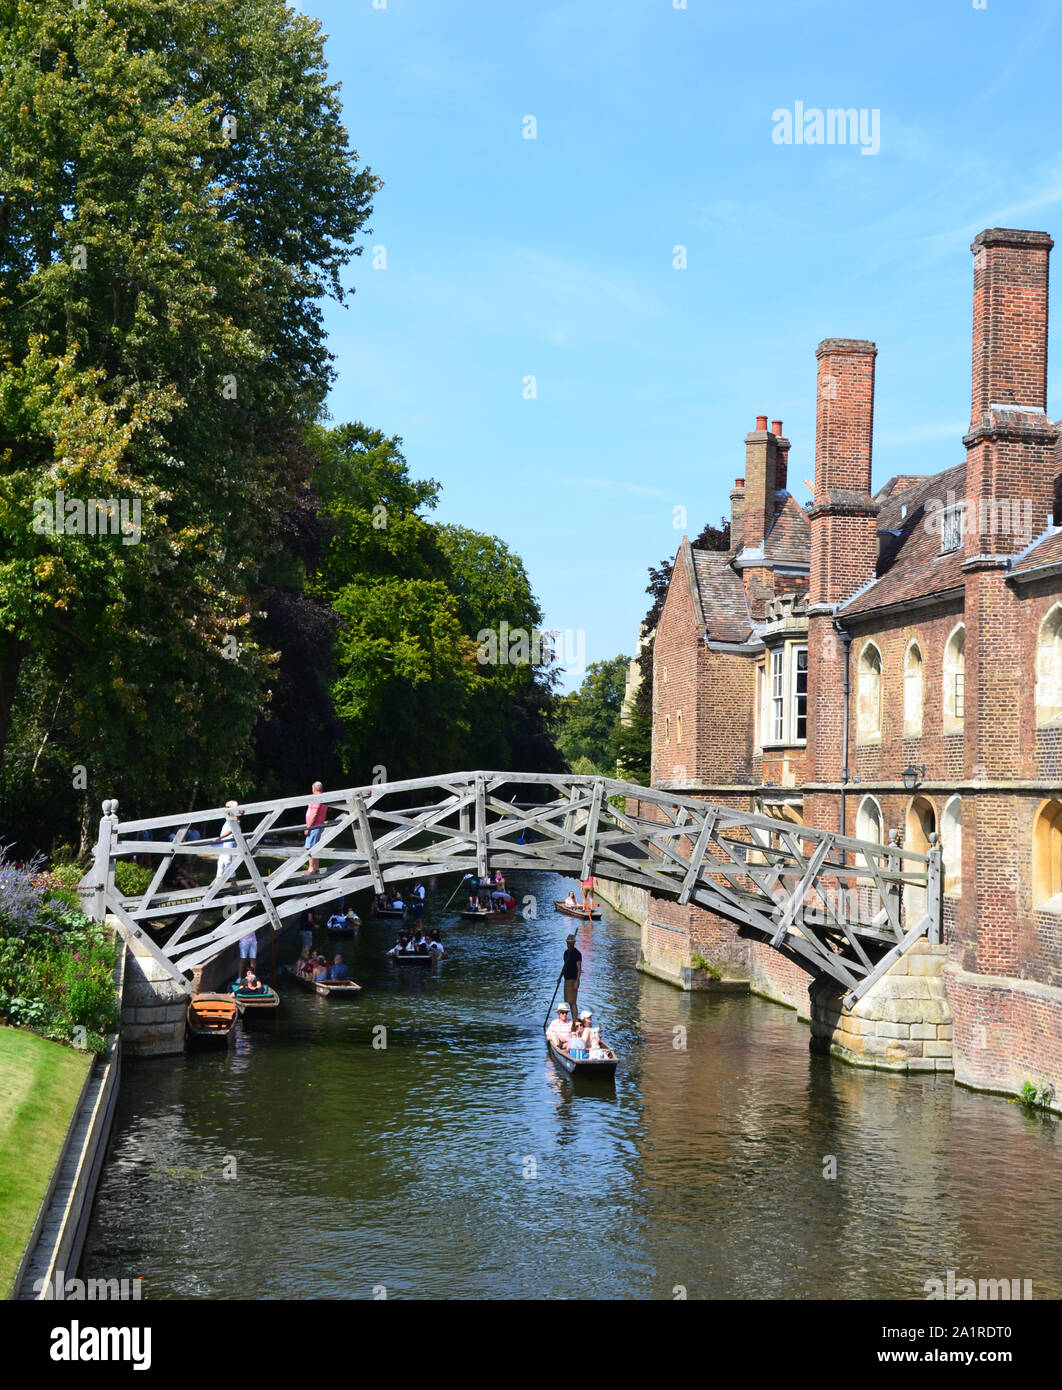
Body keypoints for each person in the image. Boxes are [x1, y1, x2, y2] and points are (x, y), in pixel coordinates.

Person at [213, 801, 240, 883]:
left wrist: (220, 838)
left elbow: (231, 830)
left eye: (227, 807)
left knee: (227, 862)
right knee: (220, 862)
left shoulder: (234, 818)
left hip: (228, 842)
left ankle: (233, 882)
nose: (225, 808)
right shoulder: (229, 817)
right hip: (224, 842)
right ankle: (217, 882)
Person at [304, 780, 327, 873]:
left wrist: (308, 827)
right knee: (315, 846)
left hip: (314, 826)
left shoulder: (317, 798)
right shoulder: (324, 797)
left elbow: (314, 813)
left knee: (310, 847)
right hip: (318, 825)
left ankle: (311, 869)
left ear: (313, 789)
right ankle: (316, 868)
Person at [558, 934, 582, 1015]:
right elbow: (564, 966)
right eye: (567, 943)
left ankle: (575, 1020)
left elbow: (579, 969)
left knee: (573, 1002)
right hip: (566, 979)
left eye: (570, 943)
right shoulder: (566, 953)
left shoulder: (577, 954)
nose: (569, 945)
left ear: (574, 943)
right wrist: (560, 977)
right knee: (569, 1001)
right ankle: (573, 1020)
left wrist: (577, 981)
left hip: (573, 979)